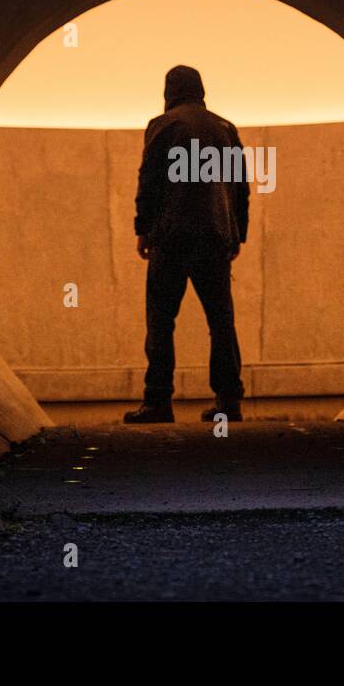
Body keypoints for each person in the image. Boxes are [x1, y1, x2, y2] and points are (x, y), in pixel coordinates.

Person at [124, 65, 248, 424]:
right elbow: (240, 186)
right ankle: (229, 400)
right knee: (221, 320)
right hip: (214, 237)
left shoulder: (162, 127)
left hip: (172, 236)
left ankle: (158, 401)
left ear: (169, 90)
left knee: (161, 320)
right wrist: (237, 232)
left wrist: (143, 228)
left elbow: (149, 180)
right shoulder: (225, 128)